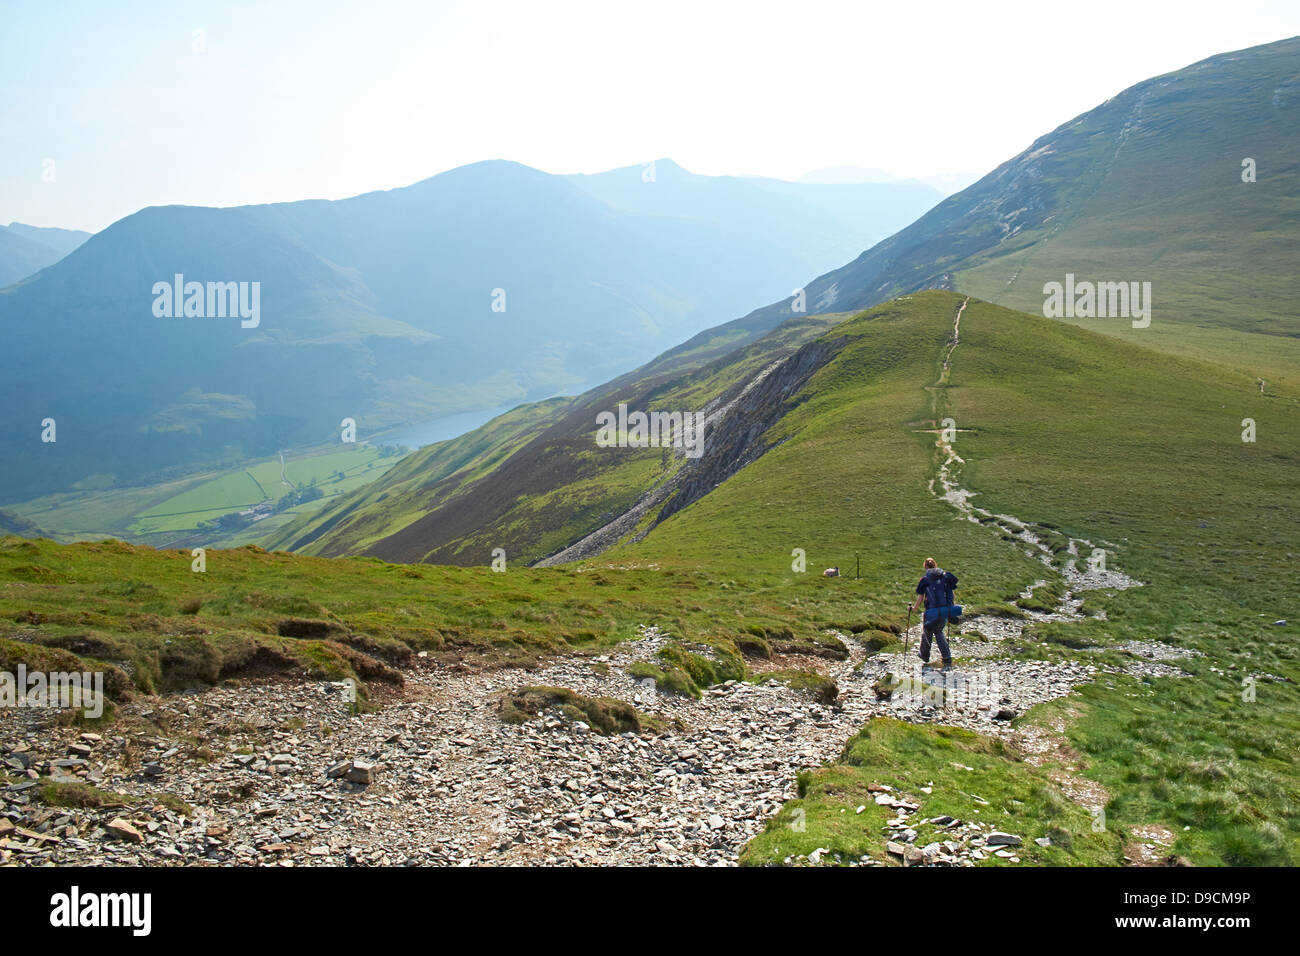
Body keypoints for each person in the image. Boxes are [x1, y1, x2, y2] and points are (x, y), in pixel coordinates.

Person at [910, 558, 958, 668]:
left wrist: (914, 609)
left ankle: (924, 655)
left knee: (927, 631)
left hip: (931, 611)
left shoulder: (925, 579)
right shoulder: (946, 577)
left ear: (925, 567)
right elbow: (952, 595)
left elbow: (921, 597)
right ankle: (946, 657)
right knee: (939, 631)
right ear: (935, 565)